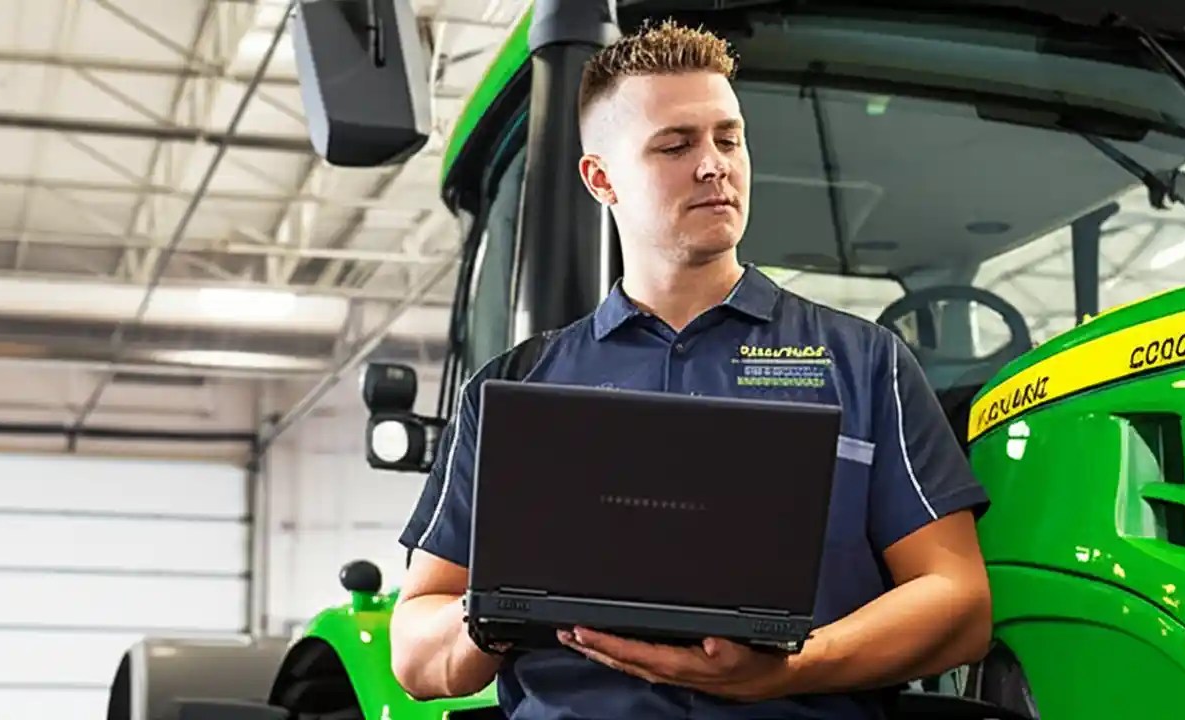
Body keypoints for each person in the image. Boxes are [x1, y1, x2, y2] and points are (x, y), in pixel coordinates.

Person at [389, 19, 993, 720]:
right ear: (601, 177)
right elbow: (414, 648)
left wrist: (793, 668)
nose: (715, 165)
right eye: (676, 145)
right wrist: (492, 611)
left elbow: (959, 601)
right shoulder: (518, 384)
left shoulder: (864, 364)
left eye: (728, 139)